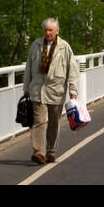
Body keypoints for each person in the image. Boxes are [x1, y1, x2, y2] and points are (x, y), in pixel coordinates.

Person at [23, 17, 80, 165]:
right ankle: (38, 153)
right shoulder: (36, 45)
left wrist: (73, 90)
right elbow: (28, 67)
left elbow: (72, 69)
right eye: (46, 30)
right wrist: (26, 87)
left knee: (54, 122)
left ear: (57, 31)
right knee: (39, 121)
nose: (48, 33)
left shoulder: (64, 47)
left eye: (51, 30)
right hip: (37, 88)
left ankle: (50, 151)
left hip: (56, 90)